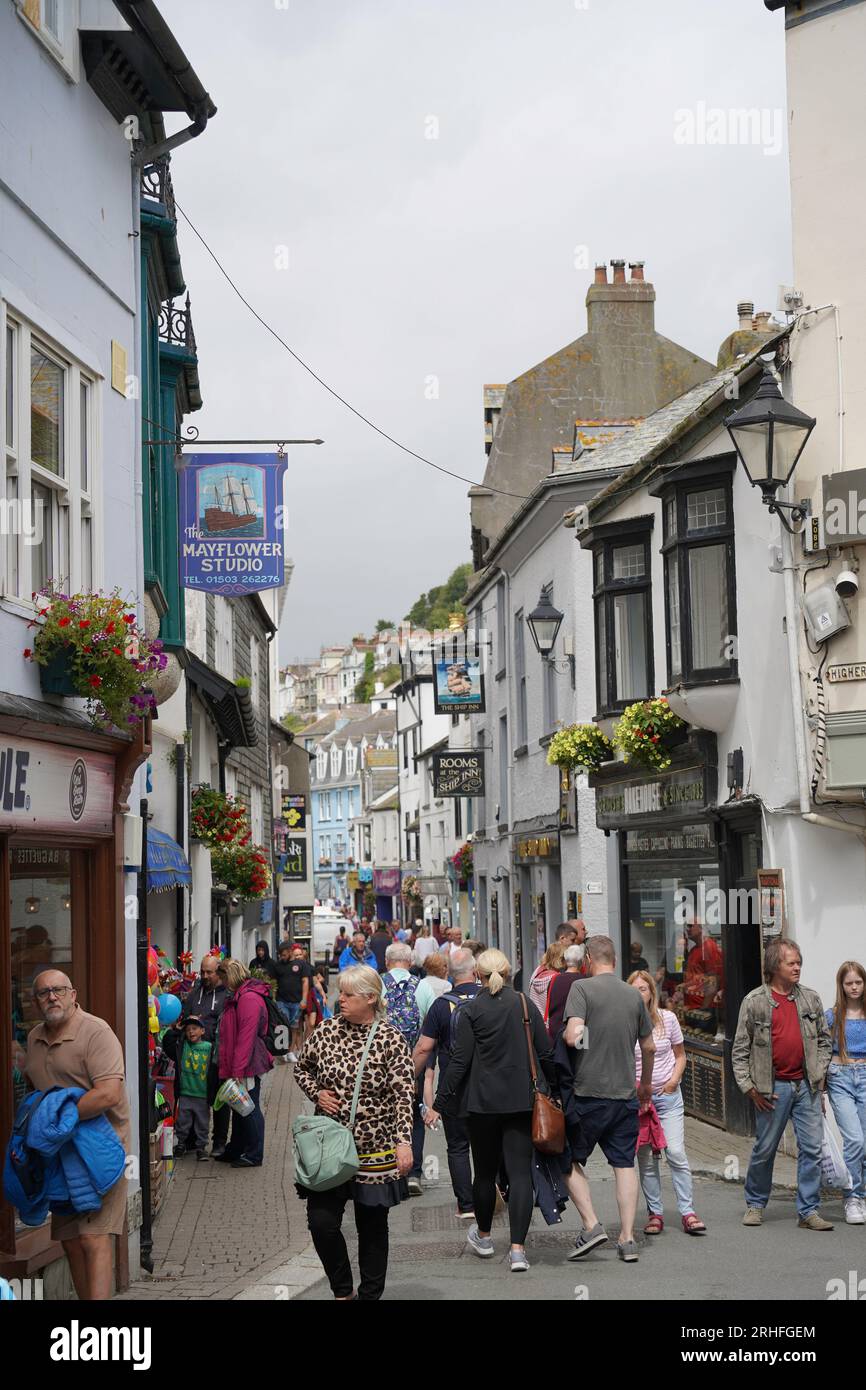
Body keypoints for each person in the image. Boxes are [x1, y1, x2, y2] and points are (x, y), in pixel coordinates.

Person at [294, 965, 415, 1301]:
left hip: (374, 1148)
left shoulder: (391, 1038)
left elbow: (404, 1095)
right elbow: (301, 1068)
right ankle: (342, 1291)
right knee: (322, 1223)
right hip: (329, 1147)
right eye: (341, 993)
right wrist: (316, 1092)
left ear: (371, 998)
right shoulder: (326, 1030)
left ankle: (370, 1295)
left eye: (348, 994)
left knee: (372, 1228)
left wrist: (403, 1142)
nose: (341, 999)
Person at [435, 949, 556, 1273]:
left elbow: (460, 1060)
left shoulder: (472, 1009)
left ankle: (485, 1237)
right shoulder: (522, 1003)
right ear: (507, 972)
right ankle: (518, 1251)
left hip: (483, 1104)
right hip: (521, 1101)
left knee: (485, 1174)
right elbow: (545, 1052)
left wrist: (441, 1101)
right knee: (519, 1175)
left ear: (477, 974)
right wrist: (559, 1089)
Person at [24, 970, 130, 1300]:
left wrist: (55, 1119)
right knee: (70, 1240)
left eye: (58, 990)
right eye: (43, 993)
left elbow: (109, 1094)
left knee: (93, 1237)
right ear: (34, 1002)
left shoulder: (96, 1032)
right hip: (60, 1156)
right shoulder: (33, 1038)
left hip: (103, 1153)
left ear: (73, 994)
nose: (51, 997)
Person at [562, 935, 655, 1264]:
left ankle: (591, 1224)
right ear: (614, 960)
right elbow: (649, 1046)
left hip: (588, 1093)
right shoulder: (633, 995)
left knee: (566, 1158)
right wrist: (645, 1085)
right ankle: (628, 1238)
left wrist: (583, 1035)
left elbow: (573, 1037)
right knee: (624, 1164)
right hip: (625, 1095)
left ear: (588, 958)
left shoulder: (582, 989)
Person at [733, 938, 833, 1230]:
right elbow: (740, 1050)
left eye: (799, 962)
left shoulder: (810, 999)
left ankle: (809, 1210)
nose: (797, 967)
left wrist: (819, 1070)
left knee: (812, 1149)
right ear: (775, 966)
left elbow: (825, 1040)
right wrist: (749, 1088)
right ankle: (755, 1204)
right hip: (772, 1089)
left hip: (807, 1087)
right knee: (765, 1148)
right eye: (791, 963)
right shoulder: (754, 1002)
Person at [628, 971, 705, 1235]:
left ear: (652, 991)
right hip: (640, 1101)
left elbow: (680, 1055)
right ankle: (655, 1214)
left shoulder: (668, 1019)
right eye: (635, 989)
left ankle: (688, 1211)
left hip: (668, 1097)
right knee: (647, 1159)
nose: (640, 993)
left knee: (676, 1153)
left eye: (644, 988)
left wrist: (673, 1081)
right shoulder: (626, 1023)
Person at [413, 948, 481, 1218]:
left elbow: (423, 1048)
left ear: (450, 975)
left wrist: (408, 1079)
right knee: (489, 1143)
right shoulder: (491, 998)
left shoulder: (441, 1005)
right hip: (489, 1084)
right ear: (475, 972)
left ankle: (466, 1205)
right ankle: (495, 1194)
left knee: (458, 1146)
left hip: (455, 1087)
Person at [214, 959, 273, 1168]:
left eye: (222, 978)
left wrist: (237, 1070)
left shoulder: (247, 999)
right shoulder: (242, 996)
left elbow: (245, 1038)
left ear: (229, 977)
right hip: (242, 1063)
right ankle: (237, 1148)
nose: (221, 983)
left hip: (247, 1065)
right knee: (240, 1106)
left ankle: (255, 1154)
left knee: (249, 1108)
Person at [381, 942, 425, 1195]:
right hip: (412, 1066)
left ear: (387, 962)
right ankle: (413, 1173)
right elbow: (430, 1036)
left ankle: (388, 1171)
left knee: (386, 1116)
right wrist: (417, 1072)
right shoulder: (423, 987)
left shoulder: (375, 985)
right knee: (413, 1118)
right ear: (410, 962)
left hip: (380, 1066)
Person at [824, 960, 866, 1224]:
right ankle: (852, 1197)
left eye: (858, 982)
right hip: (839, 1078)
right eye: (849, 982)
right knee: (855, 1140)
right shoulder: (832, 1015)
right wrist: (818, 1089)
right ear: (841, 985)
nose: (854, 987)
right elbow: (820, 1051)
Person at [178, 952, 230, 1157]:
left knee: (219, 1101)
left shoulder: (226, 995)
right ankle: (191, 1141)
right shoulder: (195, 992)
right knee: (192, 1099)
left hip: (216, 1058)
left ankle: (219, 1143)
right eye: (202, 972)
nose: (205, 976)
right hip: (193, 1057)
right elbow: (185, 1015)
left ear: (219, 972)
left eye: (209, 972)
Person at [164, 1015, 212, 1160]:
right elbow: (167, 1044)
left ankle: (201, 1148)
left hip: (202, 1094)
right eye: (188, 1029)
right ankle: (181, 1145)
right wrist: (176, 1030)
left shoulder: (209, 1047)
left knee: (202, 1123)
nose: (191, 1032)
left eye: (195, 1028)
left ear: (202, 1031)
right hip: (185, 1093)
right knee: (182, 1122)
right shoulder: (182, 1047)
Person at [274, 943, 311, 1063]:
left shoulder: (301, 964)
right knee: (282, 1025)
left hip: (297, 1002)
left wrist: (304, 999)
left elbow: (305, 981)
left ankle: (290, 1051)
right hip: (282, 1001)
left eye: (284, 955)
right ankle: (282, 1051)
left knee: (294, 1027)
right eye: (280, 955)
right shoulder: (278, 965)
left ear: (290, 951)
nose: (282, 957)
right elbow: (273, 982)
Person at [546, 944, 585, 1042]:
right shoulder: (584, 981)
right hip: (575, 1035)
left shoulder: (554, 979)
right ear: (581, 961)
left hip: (554, 1033)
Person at [527, 940, 567, 1023]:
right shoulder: (557, 979)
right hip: (549, 1027)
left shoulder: (536, 974)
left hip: (536, 1024)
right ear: (561, 959)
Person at [414, 950, 452, 1020]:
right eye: (445, 966)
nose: (446, 968)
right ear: (441, 967)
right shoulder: (446, 985)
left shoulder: (419, 983)